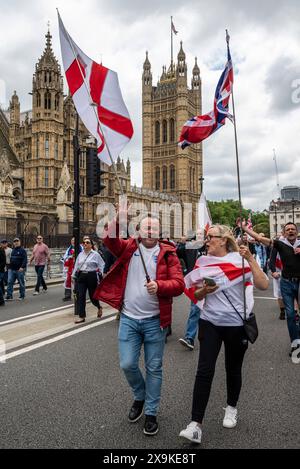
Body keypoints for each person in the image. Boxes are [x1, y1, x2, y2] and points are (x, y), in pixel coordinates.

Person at [94, 207, 185, 436]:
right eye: (146, 227)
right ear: (138, 230)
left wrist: (160, 286)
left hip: (155, 321)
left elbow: (179, 285)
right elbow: (109, 238)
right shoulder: (128, 248)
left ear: (159, 232)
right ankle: (140, 395)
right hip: (129, 319)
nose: (150, 231)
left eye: (154, 228)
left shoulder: (169, 254)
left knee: (154, 368)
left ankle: (151, 412)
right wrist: (119, 218)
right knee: (127, 364)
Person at [179, 224, 268, 444]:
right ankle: (195, 424)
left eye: (210, 237)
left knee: (233, 368)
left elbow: (263, 284)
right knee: (204, 371)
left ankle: (231, 407)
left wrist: (250, 260)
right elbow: (196, 293)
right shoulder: (202, 262)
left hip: (236, 324)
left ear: (223, 240)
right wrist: (205, 290)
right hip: (210, 322)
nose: (206, 241)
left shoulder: (239, 261)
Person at [243, 221, 300, 357]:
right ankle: (295, 344)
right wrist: (245, 228)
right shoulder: (281, 244)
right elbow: (260, 239)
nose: (291, 231)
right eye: (288, 229)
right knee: (290, 315)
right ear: (285, 233)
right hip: (286, 283)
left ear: (297, 232)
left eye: (293, 229)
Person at [177, 237, 206, 351]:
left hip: (213, 286)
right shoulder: (191, 247)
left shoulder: (214, 249)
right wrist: (182, 243)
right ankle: (190, 338)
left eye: (202, 235)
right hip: (197, 286)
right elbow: (178, 252)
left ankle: (213, 338)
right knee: (195, 310)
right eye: (197, 235)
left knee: (211, 313)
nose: (199, 237)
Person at [72, 238, 104, 323]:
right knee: (81, 296)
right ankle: (81, 316)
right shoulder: (80, 255)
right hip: (81, 276)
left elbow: (102, 265)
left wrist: (102, 274)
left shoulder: (96, 254)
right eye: (84, 242)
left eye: (87, 242)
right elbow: (76, 266)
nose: (85, 244)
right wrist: (73, 275)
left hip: (91, 276)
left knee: (93, 296)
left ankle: (98, 307)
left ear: (91, 245)